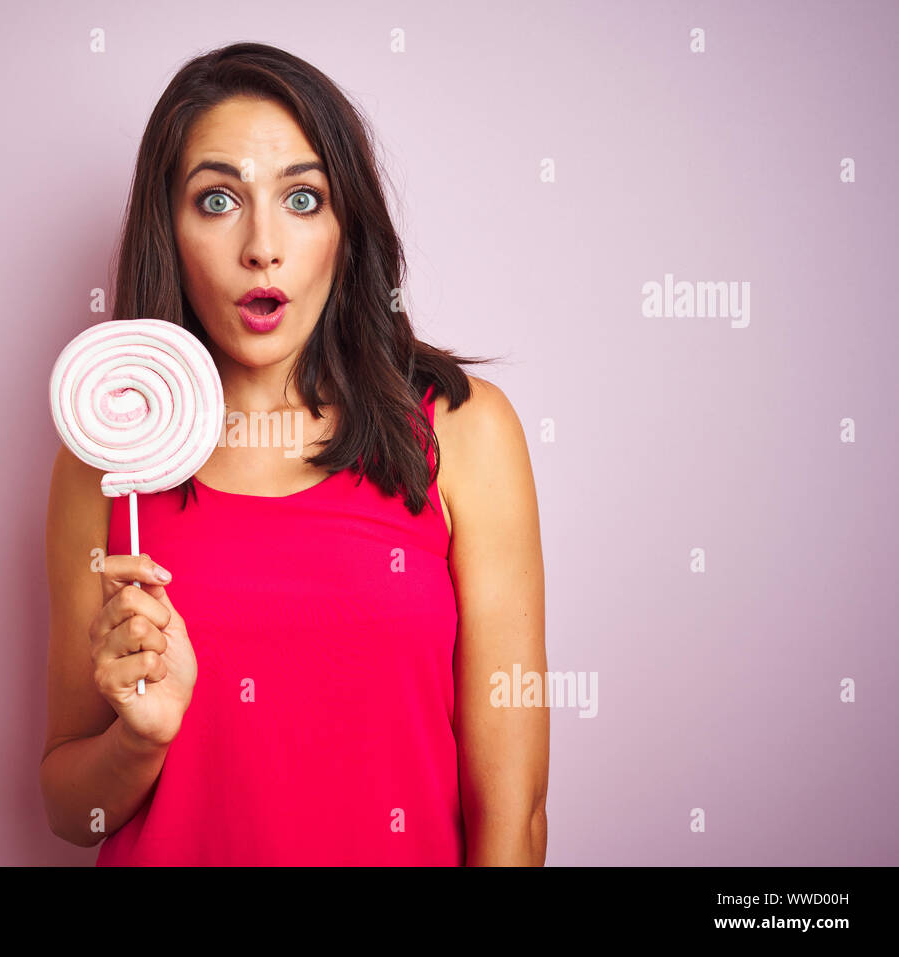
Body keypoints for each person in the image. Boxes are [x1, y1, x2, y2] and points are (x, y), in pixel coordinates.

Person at [41, 42, 548, 865]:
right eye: (216, 201)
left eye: (303, 197)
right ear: (166, 231)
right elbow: (70, 809)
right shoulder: (107, 460)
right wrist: (140, 739)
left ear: (347, 229)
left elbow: (513, 813)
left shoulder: (462, 430)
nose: (262, 247)